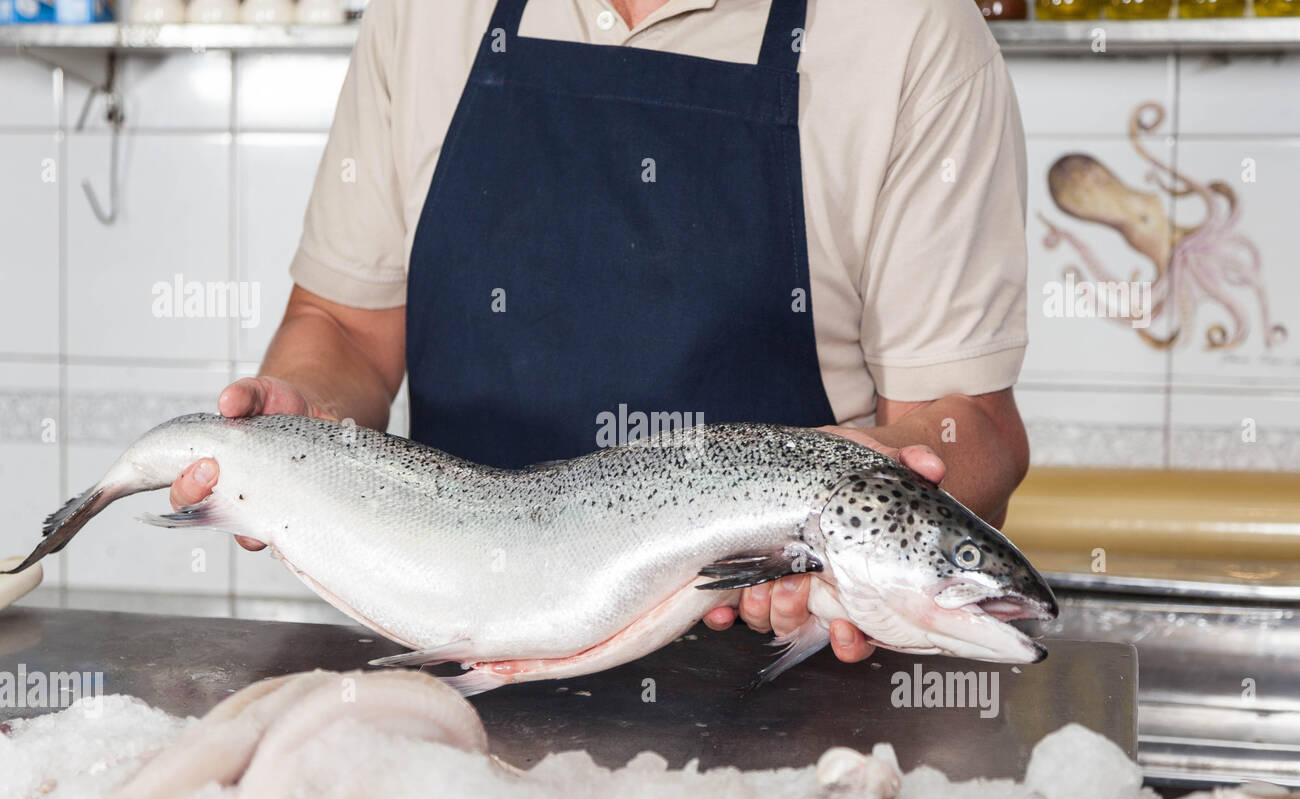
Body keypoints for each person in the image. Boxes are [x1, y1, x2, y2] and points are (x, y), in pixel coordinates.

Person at [171, 0, 1032, 668]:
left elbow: (973, 423)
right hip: (459, 669)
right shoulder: (432, 13)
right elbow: (341, 329)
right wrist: (303, 417)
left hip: (781, 705)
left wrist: (860, 495)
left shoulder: (910, 32)